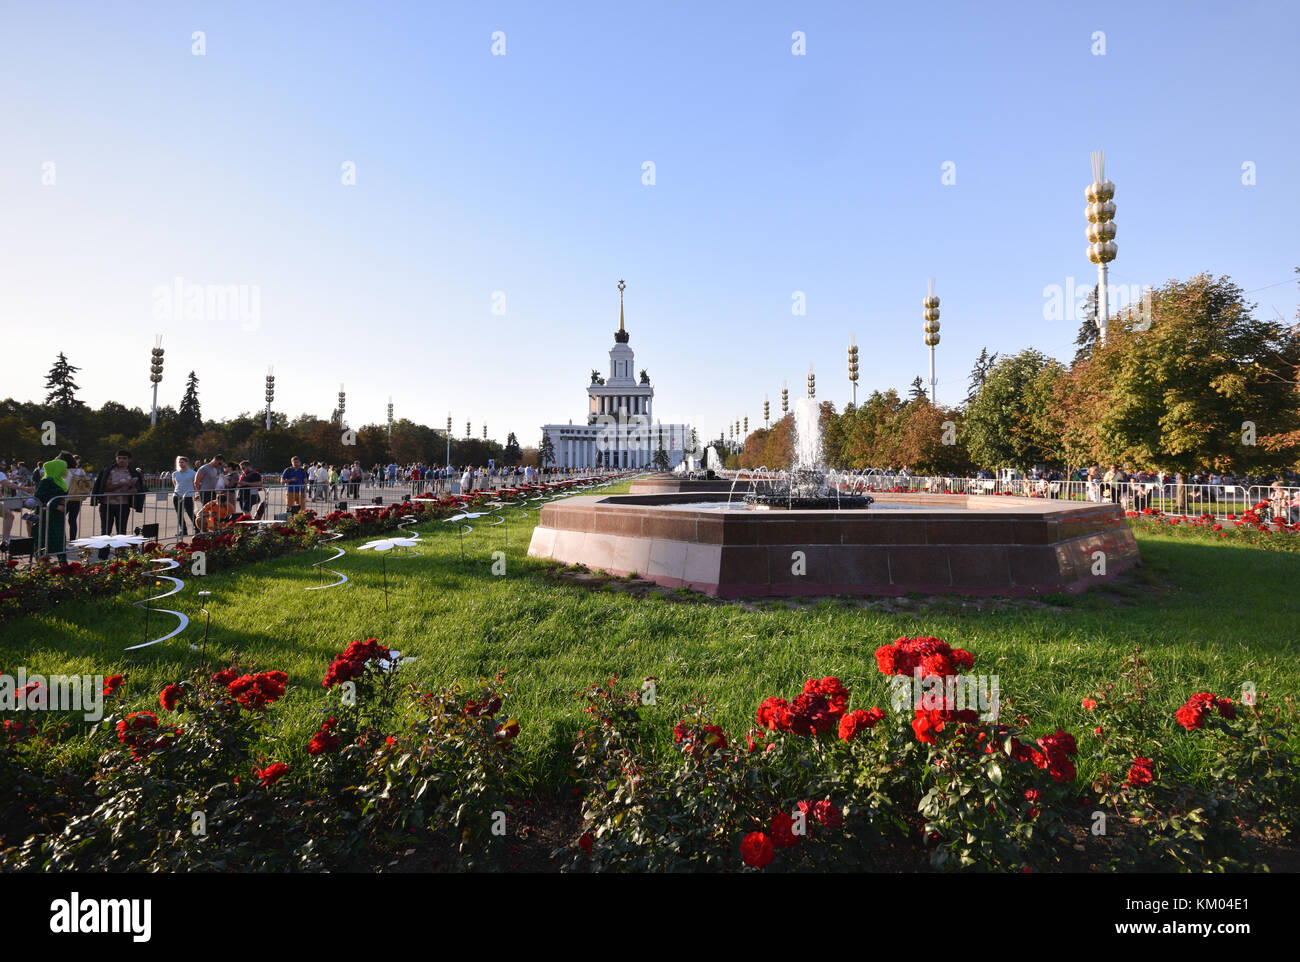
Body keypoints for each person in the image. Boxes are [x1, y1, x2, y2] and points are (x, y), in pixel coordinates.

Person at [92, 449, 146, 554]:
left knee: (121, 531)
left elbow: (137, 489)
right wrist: (126, 483)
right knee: (105, 531)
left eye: (124, 458)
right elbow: (106, 487)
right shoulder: (108, 470)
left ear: (129, 460)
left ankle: (120, 554)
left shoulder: (133, 472)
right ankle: (103, 554)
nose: (121, 460)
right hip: (106, 505)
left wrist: (134, 489)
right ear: (116, 459)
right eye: (119, 458)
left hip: (123, 505)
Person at [32, 455, 70, 563]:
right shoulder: (46, 481)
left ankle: (64, 567)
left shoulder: (60, 481)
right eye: (64, 468)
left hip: (57, 517)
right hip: (46, 516)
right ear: (57, 469)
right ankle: (42, 567)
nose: (66, 470)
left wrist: (65, 500)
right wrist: (55, 505)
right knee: (43, 541)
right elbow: (39, 497)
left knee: (60, 540)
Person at [64, 455, 92, 541]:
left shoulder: (64, 471)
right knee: (73, 520)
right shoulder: (80, 471)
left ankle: (63, 539)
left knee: (61, 520)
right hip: (77, 498)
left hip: (65, 498)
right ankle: (73, 540)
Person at [172, 456, 198, 536]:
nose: (180, 463)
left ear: (187, 463)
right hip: (177, 495)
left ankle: (197, 528)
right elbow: (175, 484)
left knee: (190, 513)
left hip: (188, 496)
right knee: (179, 514)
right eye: (179, 462)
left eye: (182, 462)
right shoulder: (175, 473)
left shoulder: (192, 473)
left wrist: (196, 494)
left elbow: (195, 484)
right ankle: (183, 531)